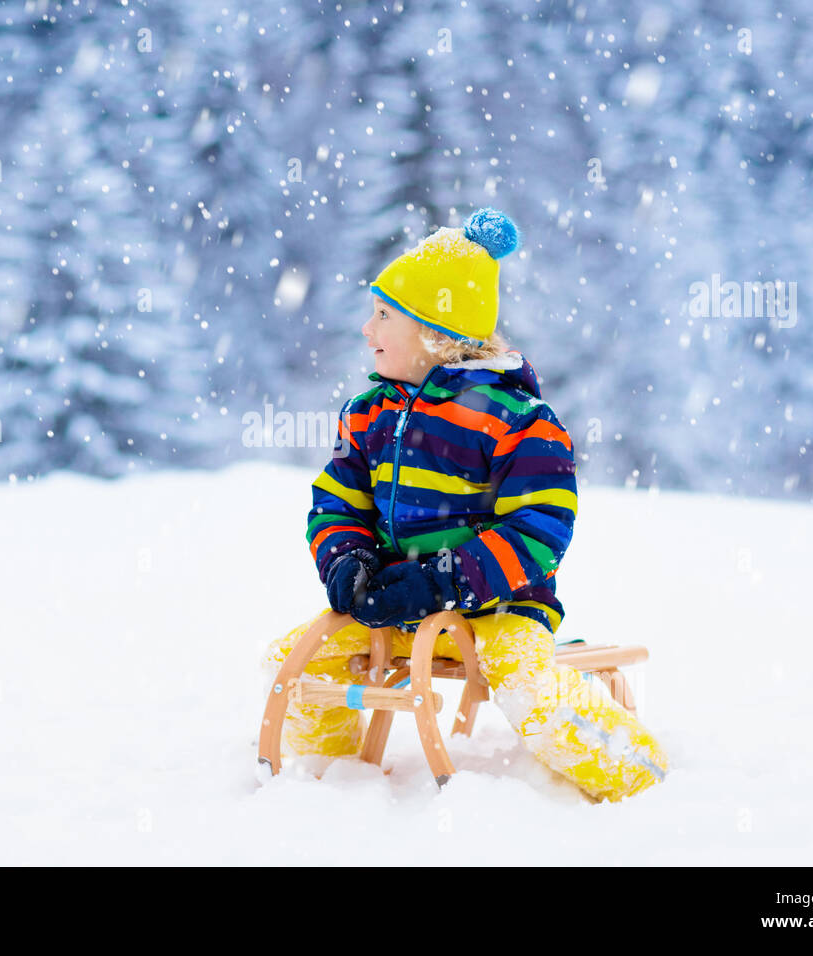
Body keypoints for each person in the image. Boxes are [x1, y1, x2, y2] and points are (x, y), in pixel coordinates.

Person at [262, 207, 669, 802]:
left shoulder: (517, 420)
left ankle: (637, 776)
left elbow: (539, 528)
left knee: (529, 687)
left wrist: (443, 582)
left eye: (382, 315)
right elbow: (338, 502)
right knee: (295, 659)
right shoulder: (369, 413)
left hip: (499, 611)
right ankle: (333, 784)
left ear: (433, 330)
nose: (366, 329)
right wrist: (346, 561)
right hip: (397, 609)